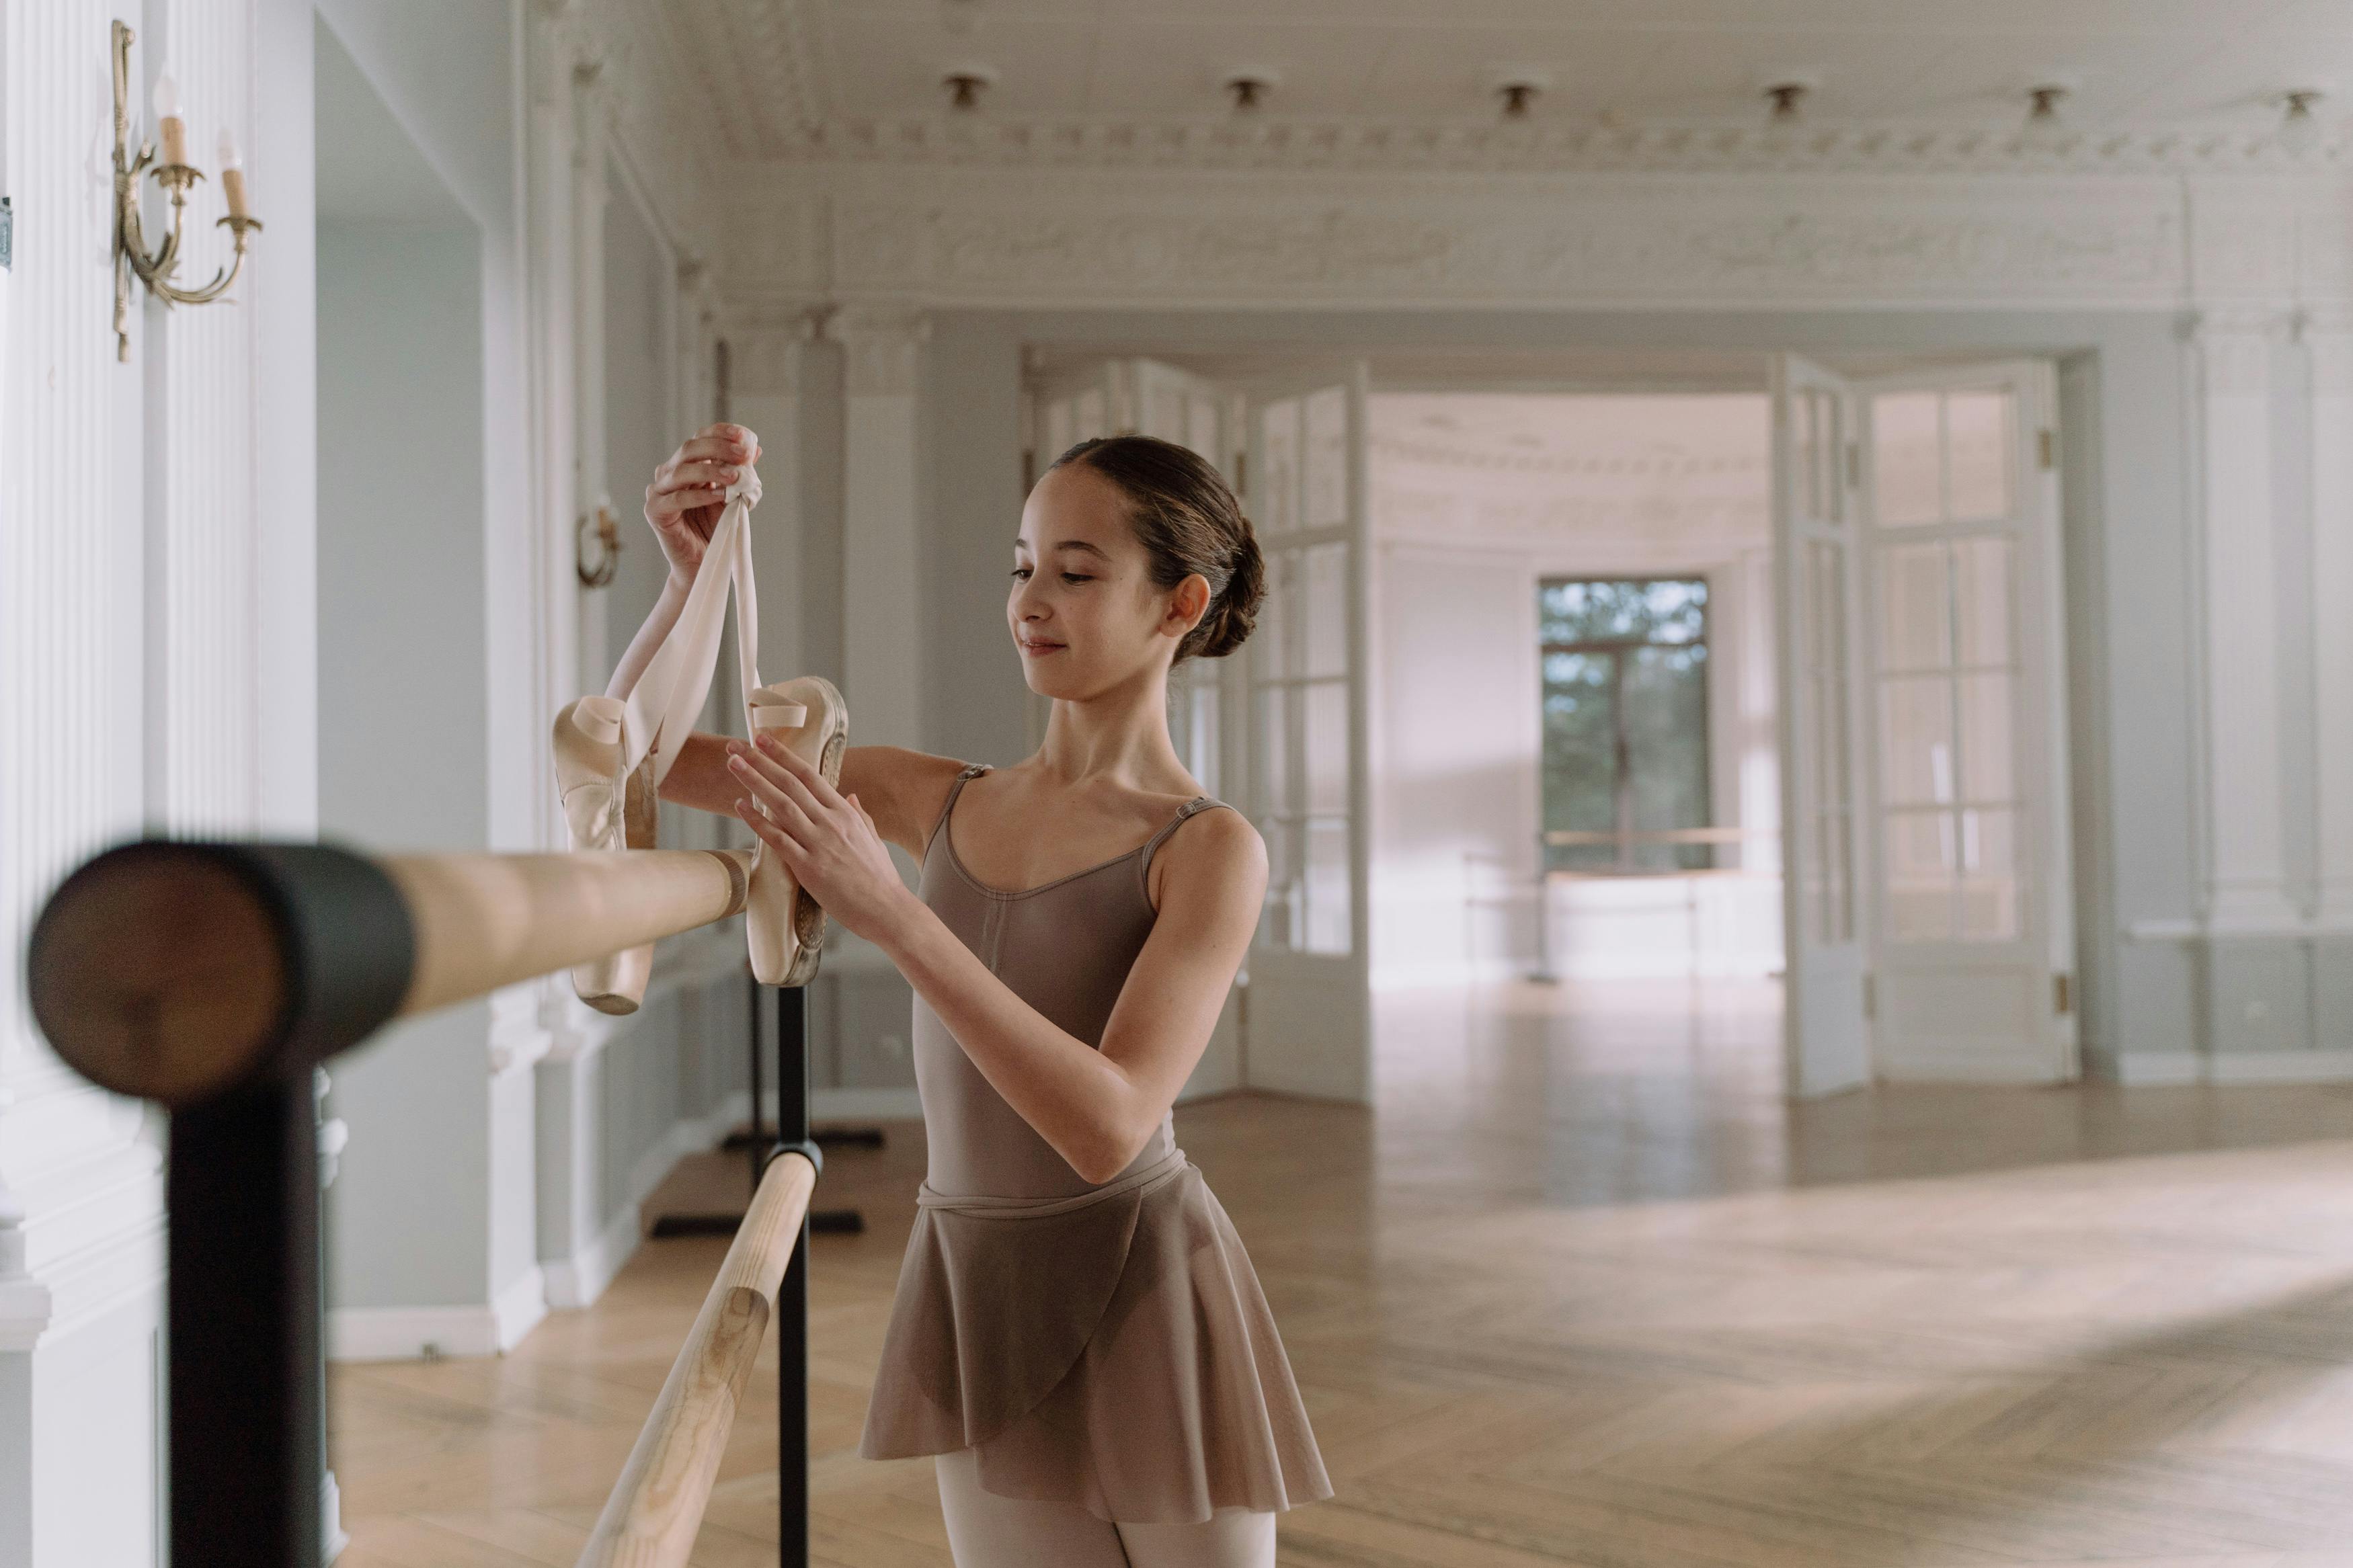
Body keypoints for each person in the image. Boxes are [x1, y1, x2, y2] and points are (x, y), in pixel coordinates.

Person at [625, 421, 1333, 1567]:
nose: (1031, 599)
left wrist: (895, 914)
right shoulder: (939, 798)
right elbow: (636, 764)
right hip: (976, 1290)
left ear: (1180, 605)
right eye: (1022, 565)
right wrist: (687, 585)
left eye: (1077, 571)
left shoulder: (1209, 848)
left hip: (1146, 1289)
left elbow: (1109, 1125)